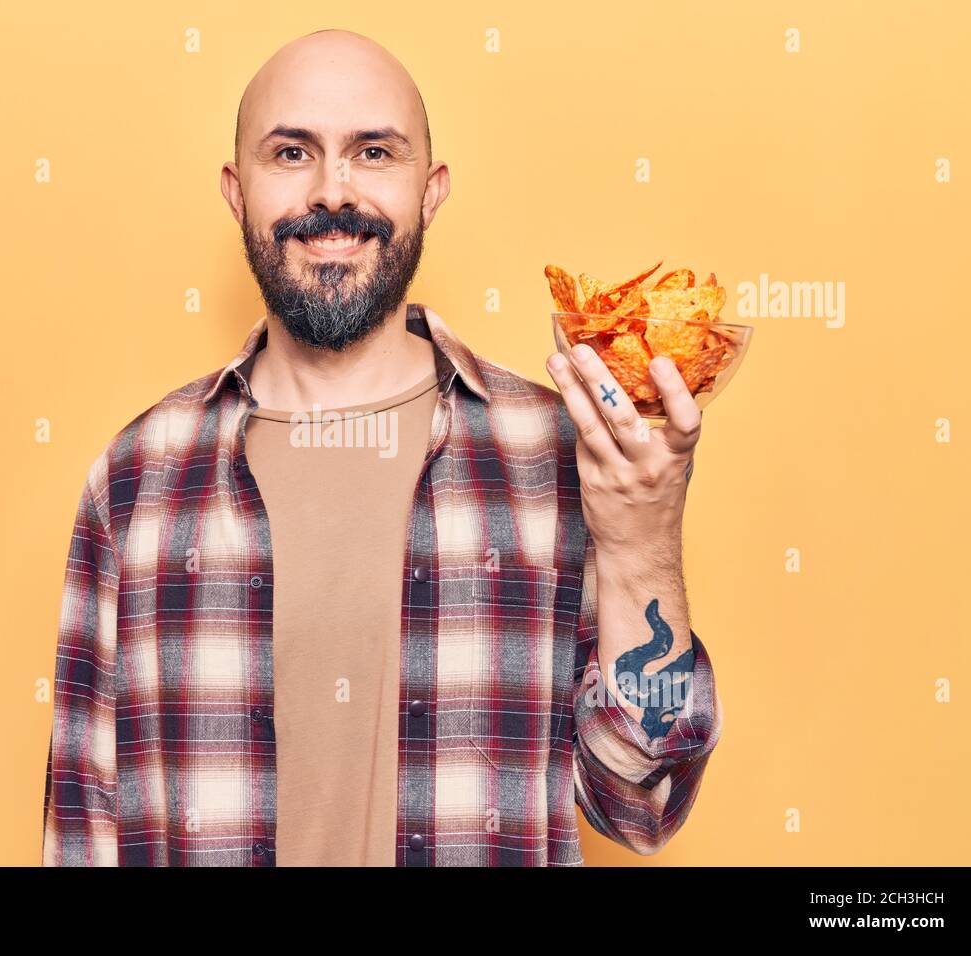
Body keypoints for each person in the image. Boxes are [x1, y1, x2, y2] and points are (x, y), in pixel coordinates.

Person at [42, 28, 722, 867]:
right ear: (235, 190)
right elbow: (83, 829)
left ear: (431, 190)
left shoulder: (559, 455)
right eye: (292, 152)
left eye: (374, 152)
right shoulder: (137, 479)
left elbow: (639, 803)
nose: (334, 192)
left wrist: (643, 543)